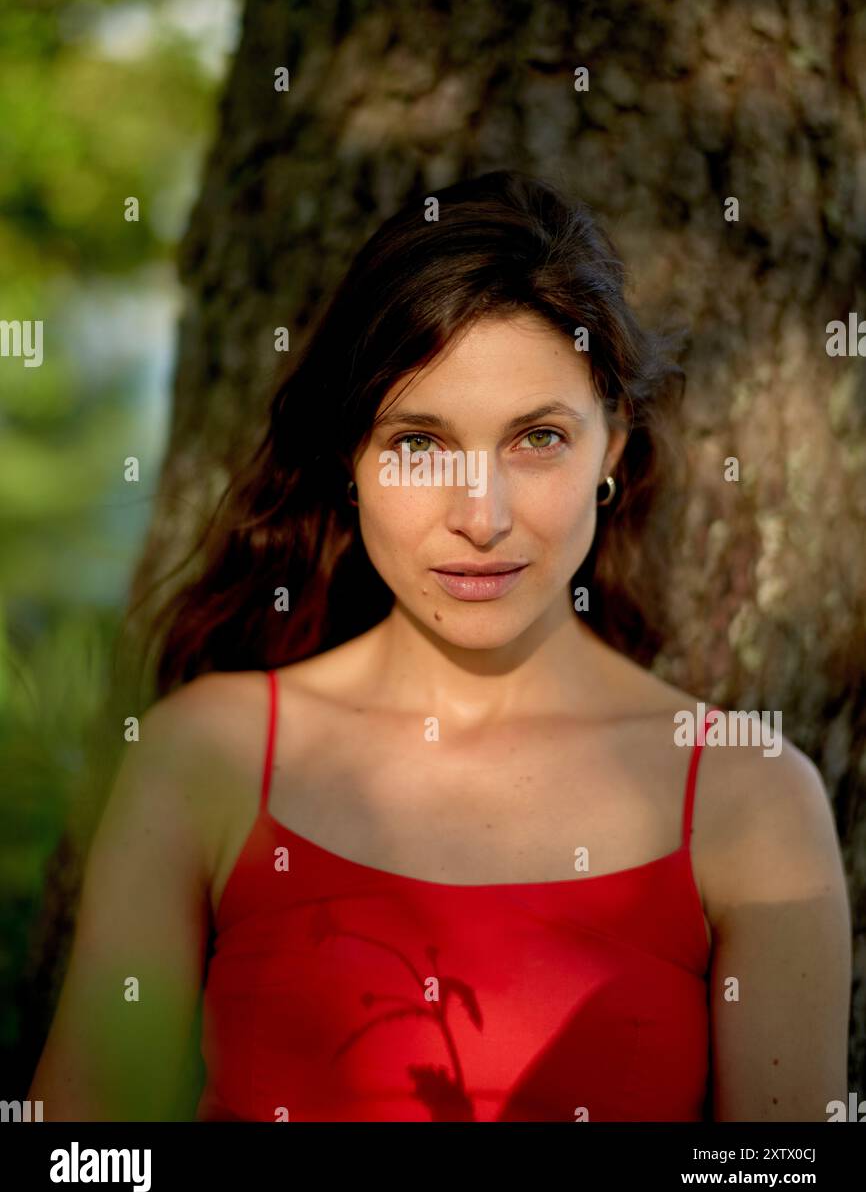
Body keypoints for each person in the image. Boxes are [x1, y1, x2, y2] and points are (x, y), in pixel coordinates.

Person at [28, 171, 851, 1121]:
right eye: (419, 444)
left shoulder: (750, 798)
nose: (481, 517)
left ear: (614, 445)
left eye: (537, 438)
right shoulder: (207, 756)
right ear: (350, 456)